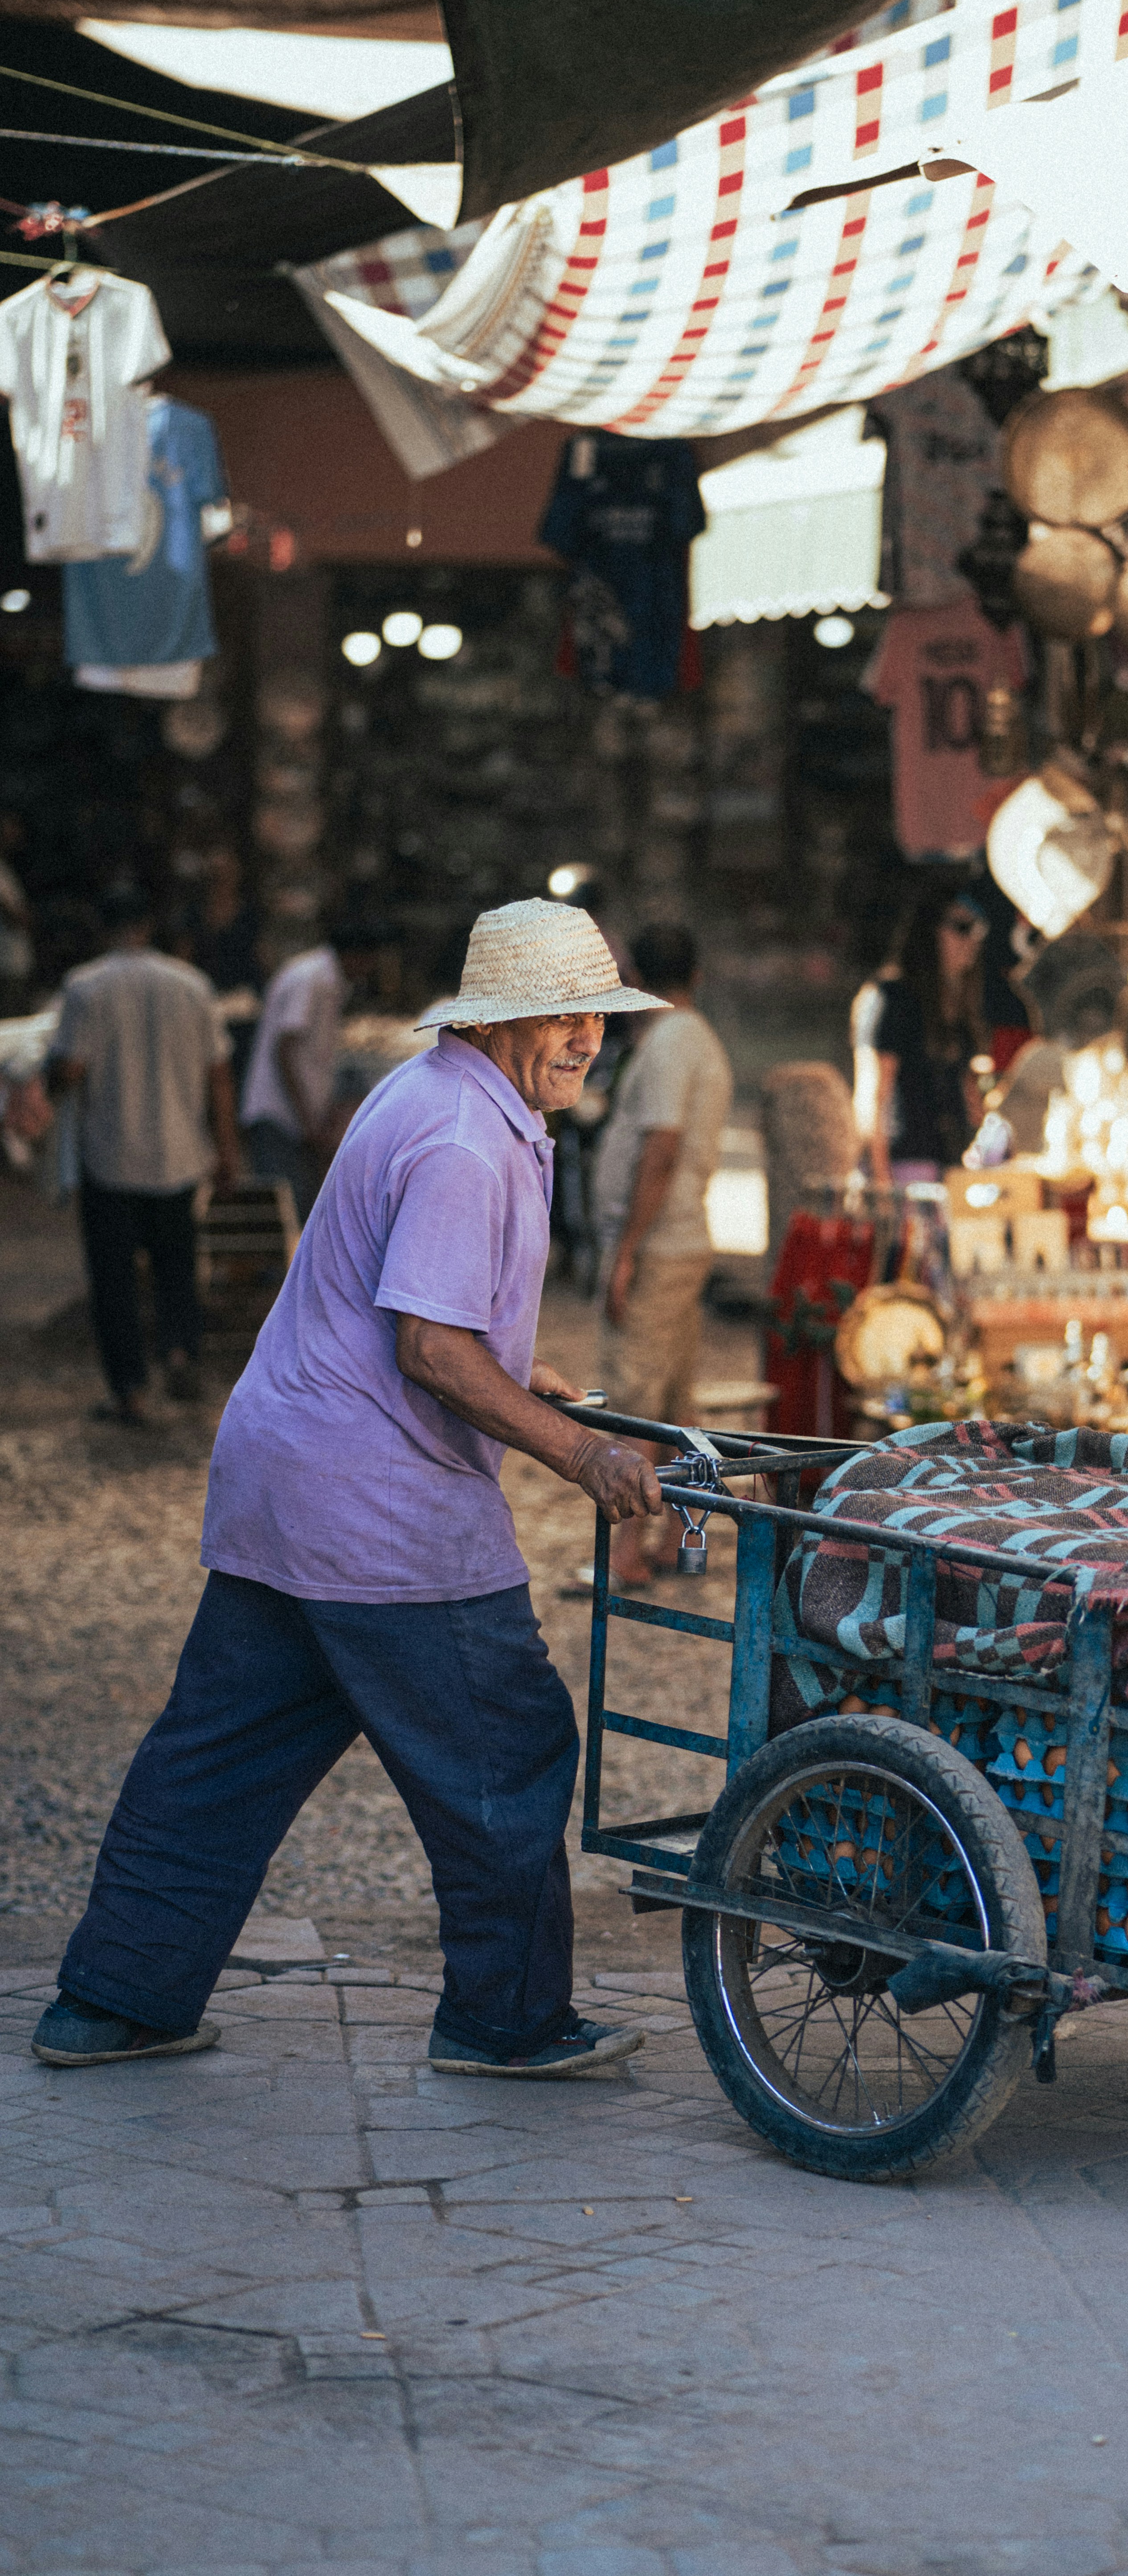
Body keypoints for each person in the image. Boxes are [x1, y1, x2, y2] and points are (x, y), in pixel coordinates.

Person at [32, 897, 670, 2080]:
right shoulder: (466, 1140)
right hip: (381, 1510)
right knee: (511, 1750)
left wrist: (527, 1377)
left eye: (598, 1015)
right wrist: (577, 1454)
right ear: (503, 1018)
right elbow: (430, 1349)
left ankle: (114, 2001)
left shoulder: (441, 1097)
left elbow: (433, 1315)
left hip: (288, 1488)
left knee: (216, 1757)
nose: (588, 1038)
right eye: (565, 1016)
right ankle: (504, 2022)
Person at [48, 881, 241, 1423]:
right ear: (149, 927)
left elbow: (71, 1068)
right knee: (178, 1266)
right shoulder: (193, 985)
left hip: (112, 1156)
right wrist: (228, 1149)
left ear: (105, 927)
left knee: (114, 1279)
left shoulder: (85, 988)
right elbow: (219, 1075)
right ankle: (180, 1350)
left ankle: (129, 1389)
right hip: (180, 1153)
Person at [591, 921, 732, 1586]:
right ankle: (682, 1538)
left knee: (634, 1400)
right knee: (675, 1406)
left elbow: (662, 1149)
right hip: (676, 1240)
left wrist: (625, 1253)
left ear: (636, 981)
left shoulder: (673, 1041)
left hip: (660, 1244)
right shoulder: (689, 1037)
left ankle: (625, 1557)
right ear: (697, 975)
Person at [239, 924, 379, 1223]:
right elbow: (285, 1049)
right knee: (283, 1212)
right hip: (278, 1114)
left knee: (301, 1208)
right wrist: (308, 1120)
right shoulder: (311, 978)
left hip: (298, 1116)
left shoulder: (328, 979)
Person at [860, 880, 989, 1185]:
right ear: (929, 930)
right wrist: (881, 1180)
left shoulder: (961, 1004)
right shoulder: (893, 997)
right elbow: (875, 1095)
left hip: (954, 1165)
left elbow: (969, 1096)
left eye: (979, 930)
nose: (972, 940)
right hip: (906, 1166)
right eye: (961, 927)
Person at [0, 809, 34, 1018]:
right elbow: (16, 918)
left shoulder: (6, 870)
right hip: (7, 964)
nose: (16, 834)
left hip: (15, 962)